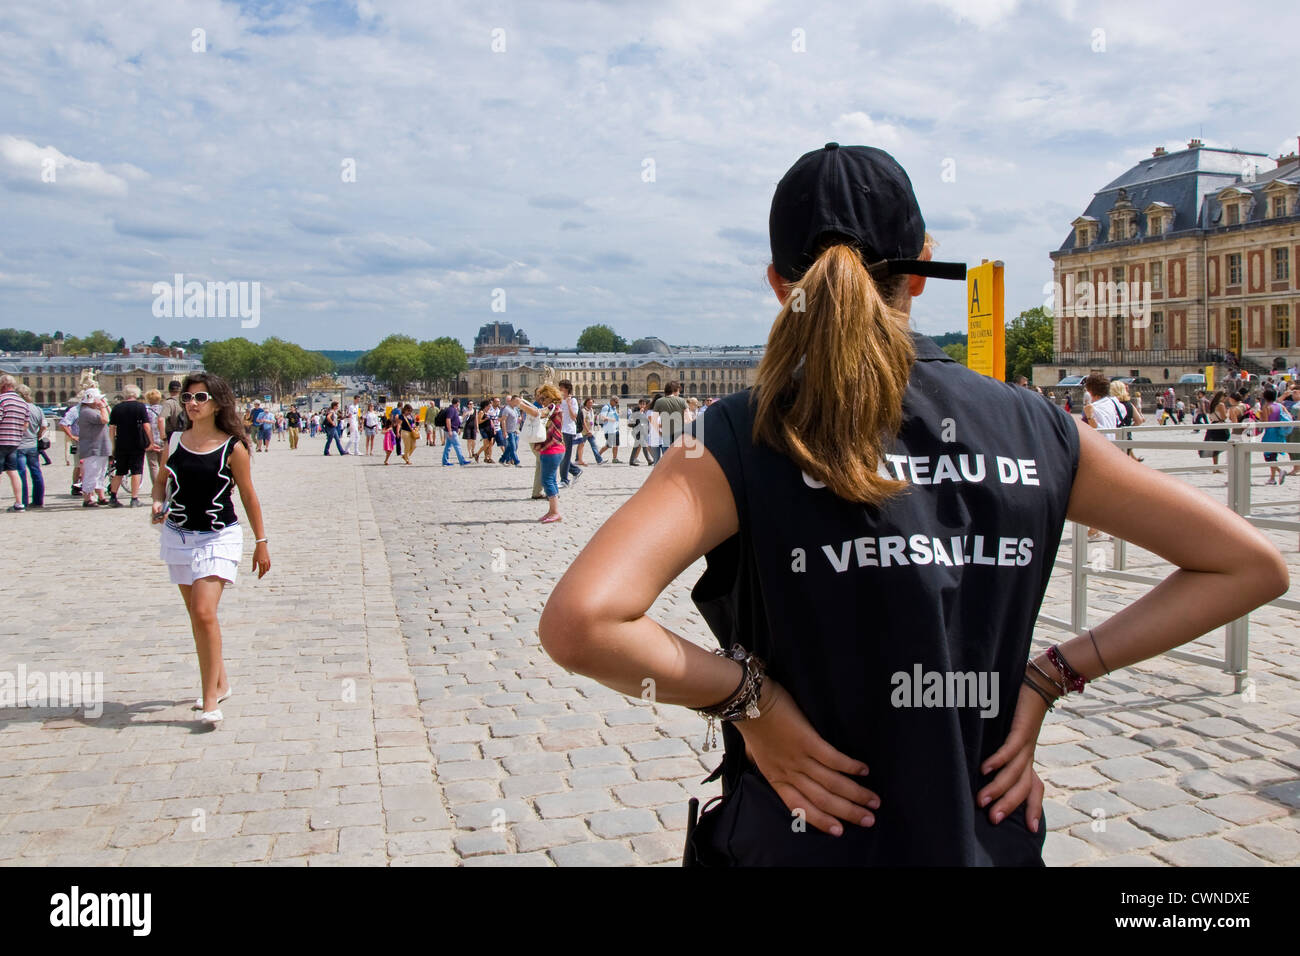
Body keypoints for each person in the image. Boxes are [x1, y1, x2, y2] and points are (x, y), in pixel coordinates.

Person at [536, 142, 1290, 867]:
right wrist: (1050, 677)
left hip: (804, 837)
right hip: (988, 832)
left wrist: (751, 699)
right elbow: (1247, 566)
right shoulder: (1033, 425)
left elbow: (583, 624)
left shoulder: (739, 435)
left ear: (777, 283)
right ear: (921, 267)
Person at [152, 373, 270, 726]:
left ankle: (208, 700)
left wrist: (261, 542)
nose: (192, 403)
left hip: (219, 535)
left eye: (200, 397)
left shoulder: (233, 447)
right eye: (188, 397)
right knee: (198, 616)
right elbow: (160, 484)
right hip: (179, 535)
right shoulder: (174, 441)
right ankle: (221, 680)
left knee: (204, 612)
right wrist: (157, 505)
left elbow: (248, 496)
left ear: (217, 403)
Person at [519, 386, 564, 523]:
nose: (541, 400)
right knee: (550, 480)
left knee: (547, 481)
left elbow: (537, 413)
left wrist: (520, 404)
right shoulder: (553, 407)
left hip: (552, 448)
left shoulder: (553, 407)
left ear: (550, 396)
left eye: (543, 398)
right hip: (551, 448)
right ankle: (552, 510)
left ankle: (555, 512)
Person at [107, 385, 154, 507]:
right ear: (137, 394)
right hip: (137, 443)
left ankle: (113, 497)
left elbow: (112, 428)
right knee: (136, 471)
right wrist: (151, 441)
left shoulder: (116, 408)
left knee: (120, 471)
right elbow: (146, 426)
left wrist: (112, 444)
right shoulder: (140, 407)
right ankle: (134, 498)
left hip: (121, 443)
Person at [10, 383, 45, 510]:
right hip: (32, 444)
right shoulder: (36, 409)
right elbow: (44, 425)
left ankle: (22, 501)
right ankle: (38, 500)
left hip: (19, 445)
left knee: (21, 474)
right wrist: (38, 435)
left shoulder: (17, 408)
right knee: (36, 473)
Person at [77, 386, 112, 507]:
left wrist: (104, 406)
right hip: (93, 447)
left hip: (100, 446)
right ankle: (87, 497)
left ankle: (100, 495)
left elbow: (110, 416)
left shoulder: (92, 410)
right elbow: (105, 419)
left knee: (100, 472)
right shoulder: (87, 412)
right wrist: (102, 406)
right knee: (92, 472)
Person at [0, 375, 30, 511]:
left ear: (3, 386)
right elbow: (25, 425)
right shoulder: (23, 403)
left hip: (1, 440)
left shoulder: (1, 400)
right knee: (13, 471)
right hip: (14, 442)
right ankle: (19, 503)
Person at [1259, 386, 1292, 485]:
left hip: (1270, 432)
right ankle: (1272, 478)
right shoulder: (1280, 406)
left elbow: (1265, 422)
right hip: (1279, 431)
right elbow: (1289, 417)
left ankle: (1279, 471)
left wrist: (1260, 415)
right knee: (1273, 454)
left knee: (1268, 455)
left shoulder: (1266, 407)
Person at [557, 380, 582, 487]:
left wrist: (568, 404)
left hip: (568, 430)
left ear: (567, 388)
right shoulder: (558, 400)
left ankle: (564, 480)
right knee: (559, 455)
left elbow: (573, 417)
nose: (559, 389)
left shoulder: (573, 400)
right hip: (559, 430)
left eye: (561, 387)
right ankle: (575, 471)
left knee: (565, 456)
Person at [1200, 390, 1231, 474]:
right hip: (1220, 426)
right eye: (1224, 397)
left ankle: (1215, 467)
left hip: (1213, 425)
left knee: (1215, 447)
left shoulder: (1212, 404)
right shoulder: (1221, 404)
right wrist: (1228, 412)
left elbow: (1210, 417)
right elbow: (1224, 417)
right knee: (1223, 445)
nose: (1225, 399)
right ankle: (1217, 468)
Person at [652, 381, 689, 448]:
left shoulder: (659, 402)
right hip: (679, 434)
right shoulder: (682, 401)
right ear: (675, 390)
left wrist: (660, 433)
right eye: (678, 390)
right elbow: (688, 420)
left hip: (666, 434)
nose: (679, 392)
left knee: (667, 456)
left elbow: (654, 421)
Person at [575, 397, 605, 466]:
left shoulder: (591, 410)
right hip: (584, 432)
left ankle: (599, 460)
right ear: (586, 403)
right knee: (581, 446)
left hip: (590, 432)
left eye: (592, 403)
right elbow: (583, 422)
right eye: (589, 402)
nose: (591, 404)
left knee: (594, 446)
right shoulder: (583, 411)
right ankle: (577, 459)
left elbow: (591, 420)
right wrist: (588, 431)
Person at [499, 395, 522, 466]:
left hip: (515, 431)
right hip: (509, 431)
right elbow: (503, 421)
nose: (518, 403)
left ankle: (502, 459)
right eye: (517, 401)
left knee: (509, 447)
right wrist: (504, 431)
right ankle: (517, 462)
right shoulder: (506, 409)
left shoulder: (515, 409)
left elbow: (517, 419)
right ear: (512, 400)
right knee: (513, 447)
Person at [628, 398, 651, 466]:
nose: (642, 406)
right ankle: (649, 460)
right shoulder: (636, 410)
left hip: (643, 431)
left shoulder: (645, 411)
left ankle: (631, 461)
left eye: (644, 404)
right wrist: (640, 412)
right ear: (638, 404)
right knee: (644, 445)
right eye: (641, 404)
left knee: (636, 447)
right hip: (637, 431)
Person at [599, 397, 622, 463]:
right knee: (608, 445)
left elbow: (615, 417)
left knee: (616, 444)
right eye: (616, 402)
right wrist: (612, 420)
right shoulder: (606, 407)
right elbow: (602, 417)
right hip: (609, 430)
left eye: (617, 402)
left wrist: (618, 415)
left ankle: (615, 458)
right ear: (611, 401)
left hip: (615, 429)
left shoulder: (614, 408)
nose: (617, 404)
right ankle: (598, 455)